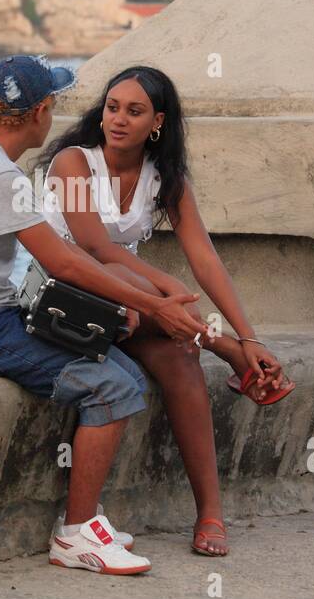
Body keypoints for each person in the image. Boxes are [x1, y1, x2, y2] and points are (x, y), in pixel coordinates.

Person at [0, 55, 208, 576]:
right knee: (110, 388)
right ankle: (74, 535)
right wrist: (155, 304)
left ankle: (88, 516)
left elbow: (69, 258)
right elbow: (65, 259)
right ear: (41, 111)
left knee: (124, 374)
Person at [38, 65, 297, 557]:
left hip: (131, 308)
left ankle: (211, 513)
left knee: (180, 356)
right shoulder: (73, 163)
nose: (118, 119)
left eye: (134, 112)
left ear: (157, 121)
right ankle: (230, 354)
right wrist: (172, 298)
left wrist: (250, 332)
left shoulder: (163, 177)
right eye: (112, 107)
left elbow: (205, 257)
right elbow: (95, 249)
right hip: (66, 300)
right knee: (134, 282)